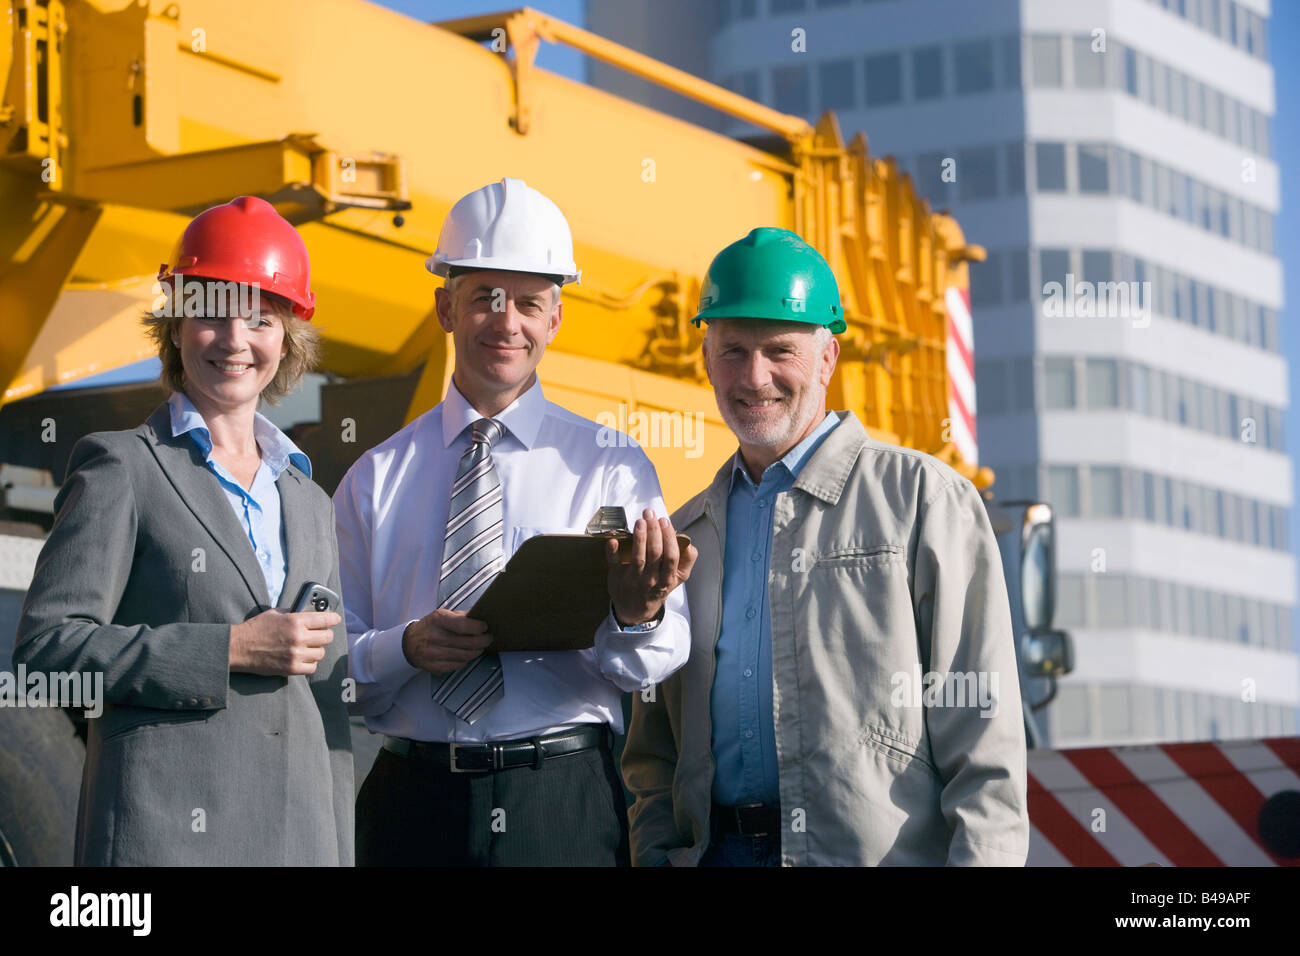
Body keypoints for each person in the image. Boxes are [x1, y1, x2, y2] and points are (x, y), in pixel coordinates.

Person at [621, 227, 1028, 866]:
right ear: (705, 358)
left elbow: (983, 726)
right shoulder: (686, 532)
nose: (754, 377)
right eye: (732, 351)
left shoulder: (921, 498)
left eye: (779, 350)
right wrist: (658, 852)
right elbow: (654, 747)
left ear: (827, 359)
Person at [335, 177, 694, 866]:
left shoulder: (610, 464)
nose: (507, 323)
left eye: (529, 303)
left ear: (555, 319)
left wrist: (639, 613)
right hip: (412, 806)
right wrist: (403, 648)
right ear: (445, 308)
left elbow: (651, 663)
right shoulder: (372, 480)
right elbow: (327, 669)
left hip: (557, 803)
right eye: (484, 299)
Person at [15, 196, 354, 866]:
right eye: (209, 314)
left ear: (286, 334)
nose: (234, 339)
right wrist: (224, 649)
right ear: (174, 326)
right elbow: (46, 660)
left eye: (259, 317)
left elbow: (326, 709)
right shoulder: (122, 467)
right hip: (164, 847)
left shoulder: (311, 501)